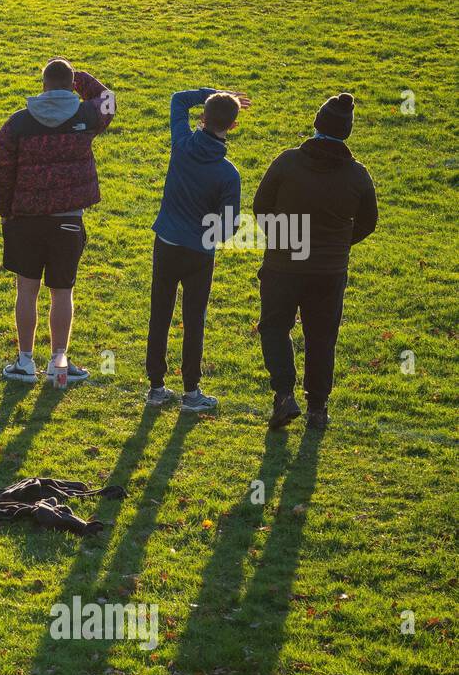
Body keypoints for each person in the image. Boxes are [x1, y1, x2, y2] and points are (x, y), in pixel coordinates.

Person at [254, 93, 377, 430]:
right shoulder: (357, 175)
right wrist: (338, 244)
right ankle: (318, 409)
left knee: (275, 328)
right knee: (322, 337)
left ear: (317, 124)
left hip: (283, 265)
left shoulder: (288, 162)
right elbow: (368, 223)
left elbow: (261, 206)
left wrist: (284, 238)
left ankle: (283, 395)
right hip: (329, 271)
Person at [0, 58, 115, 385]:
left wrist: (4, 211)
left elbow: (1, 170)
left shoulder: (18, 123)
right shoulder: (85, 116)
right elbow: (109, 100)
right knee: (62, 293)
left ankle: (25, 362)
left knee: (26, 291)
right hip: (68, 221)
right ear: (70, 84)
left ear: (43, 86)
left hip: (25, 219)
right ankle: (59, 362)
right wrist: (82, 78)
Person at [143, 87, 249, 413]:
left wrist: (215, 93)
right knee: (194, 319)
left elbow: (176, 99)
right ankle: (191, 392)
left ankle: (157, 388)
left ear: (202, 117)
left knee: (160, 313)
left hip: (166, 243)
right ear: (232, 127)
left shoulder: (182, 143)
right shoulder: (228, 174)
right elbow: (229, 226)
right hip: (199, 253)